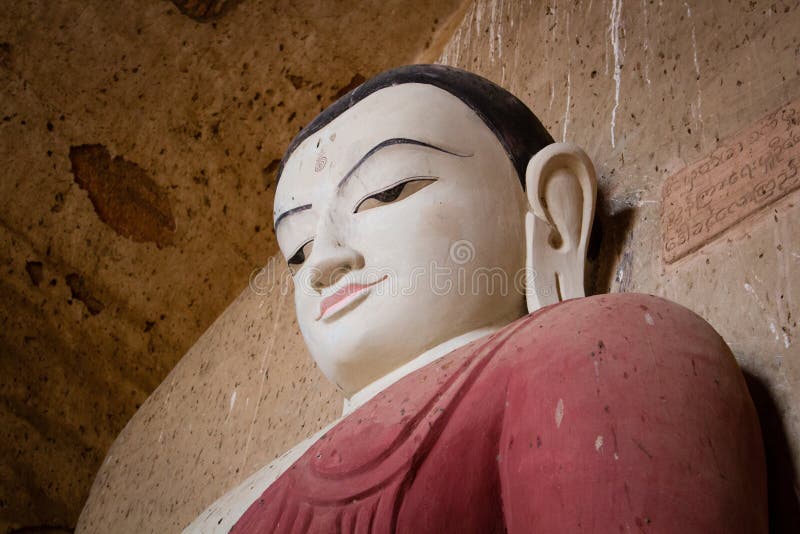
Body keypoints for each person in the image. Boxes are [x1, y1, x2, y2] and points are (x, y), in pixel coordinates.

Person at [186, 65, 767, 533]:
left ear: (554, 210)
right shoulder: (221, 510)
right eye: (298, 247)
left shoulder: (597, 346)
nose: (323, 262)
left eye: (387, 191)